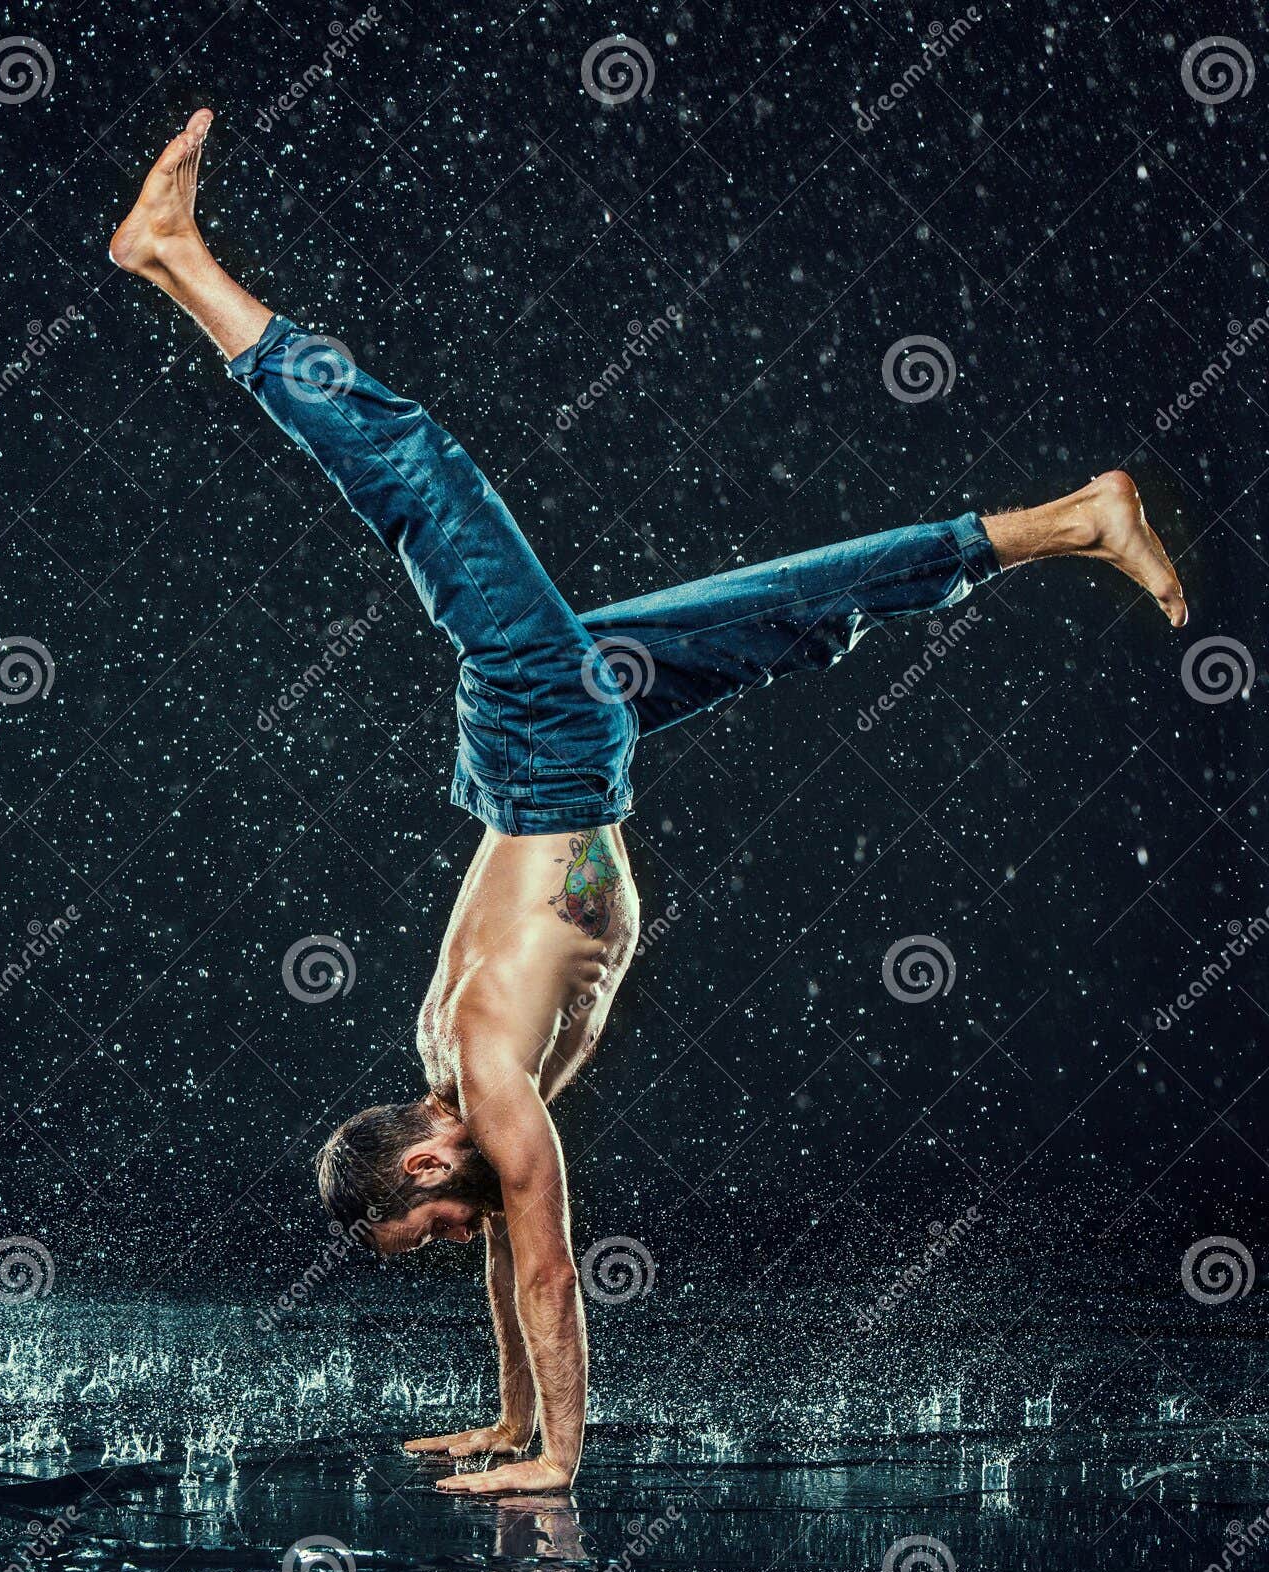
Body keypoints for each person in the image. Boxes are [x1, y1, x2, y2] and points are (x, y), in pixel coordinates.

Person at [112, 109, 1188, 1496]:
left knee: (421, 477)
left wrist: (555, 1462)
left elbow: (547, 1265)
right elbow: (509, 1252)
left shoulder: (487, 1077)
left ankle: (182, 262)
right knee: (793, 613)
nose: (458, 1241)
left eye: (429, 1229)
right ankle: (1068, 520)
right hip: (540, 759)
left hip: (548, 747)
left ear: (432, 1151)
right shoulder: (457, 1087)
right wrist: (504, 1424)